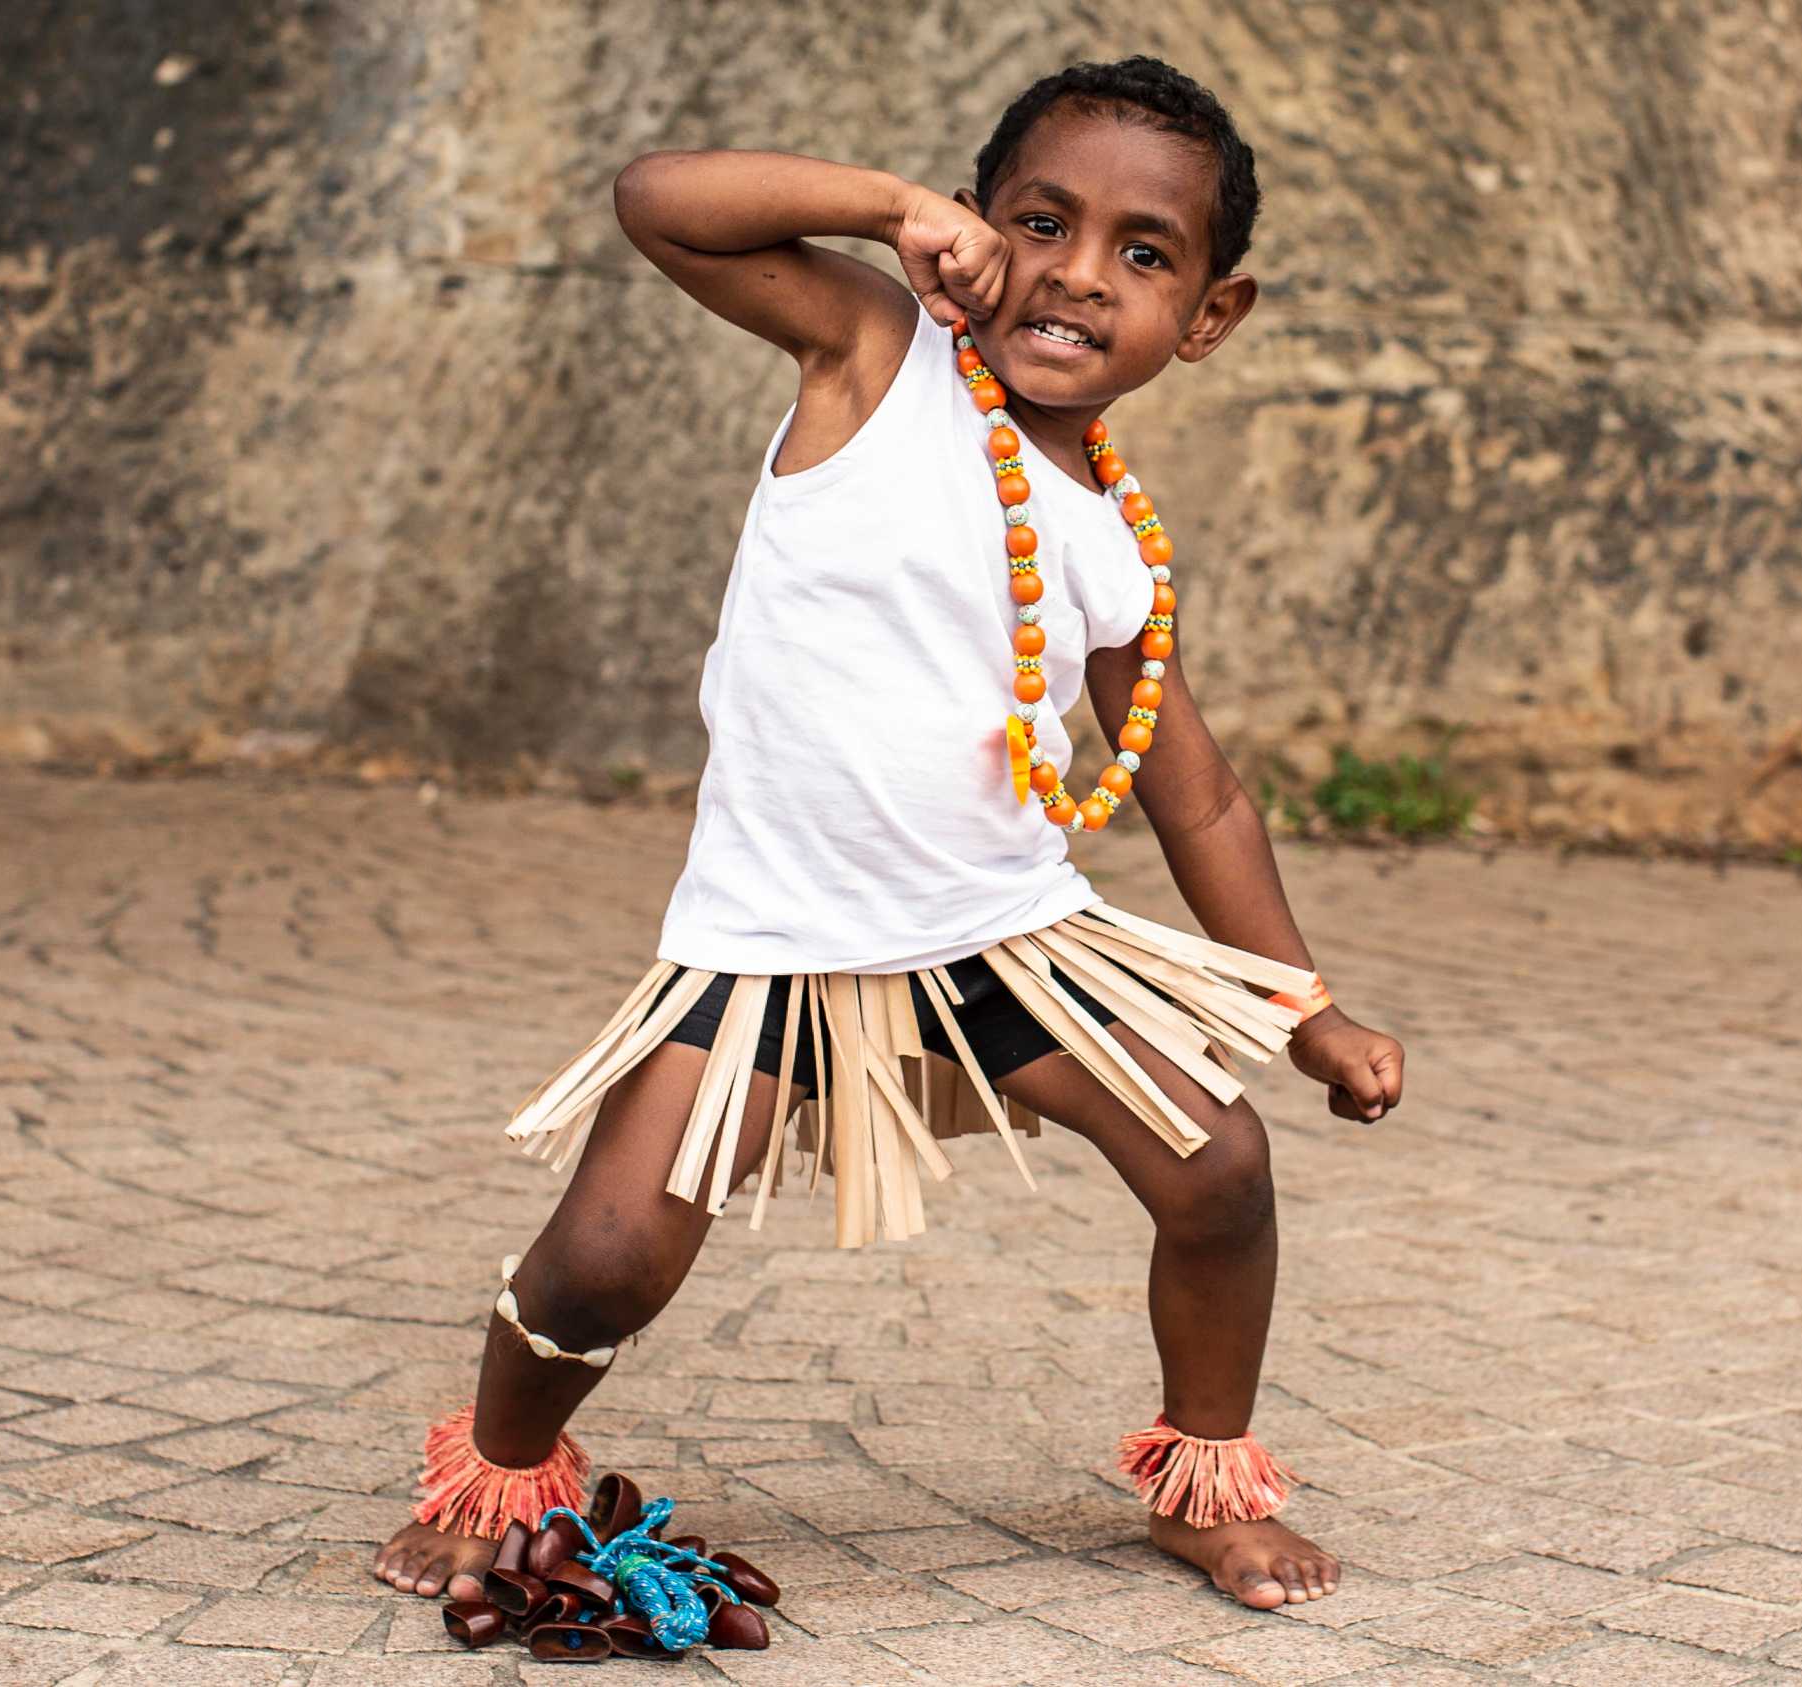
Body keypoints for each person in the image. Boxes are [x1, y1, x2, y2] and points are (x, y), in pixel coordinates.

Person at [375, 55, 1406, 1614]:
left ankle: (1207, 1473)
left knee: (1221, 1171)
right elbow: (660, 202)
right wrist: (887, 213)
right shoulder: (872, 353)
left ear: (1208, 317)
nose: (1076, 273)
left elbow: (1195, 793)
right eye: (1039, 221)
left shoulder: (1117, 543)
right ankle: (499, 1471)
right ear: (978, 231)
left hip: (1004, 933)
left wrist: (1308, 1010)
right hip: (773, 941)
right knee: (606, 1260)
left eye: (1144, 252)